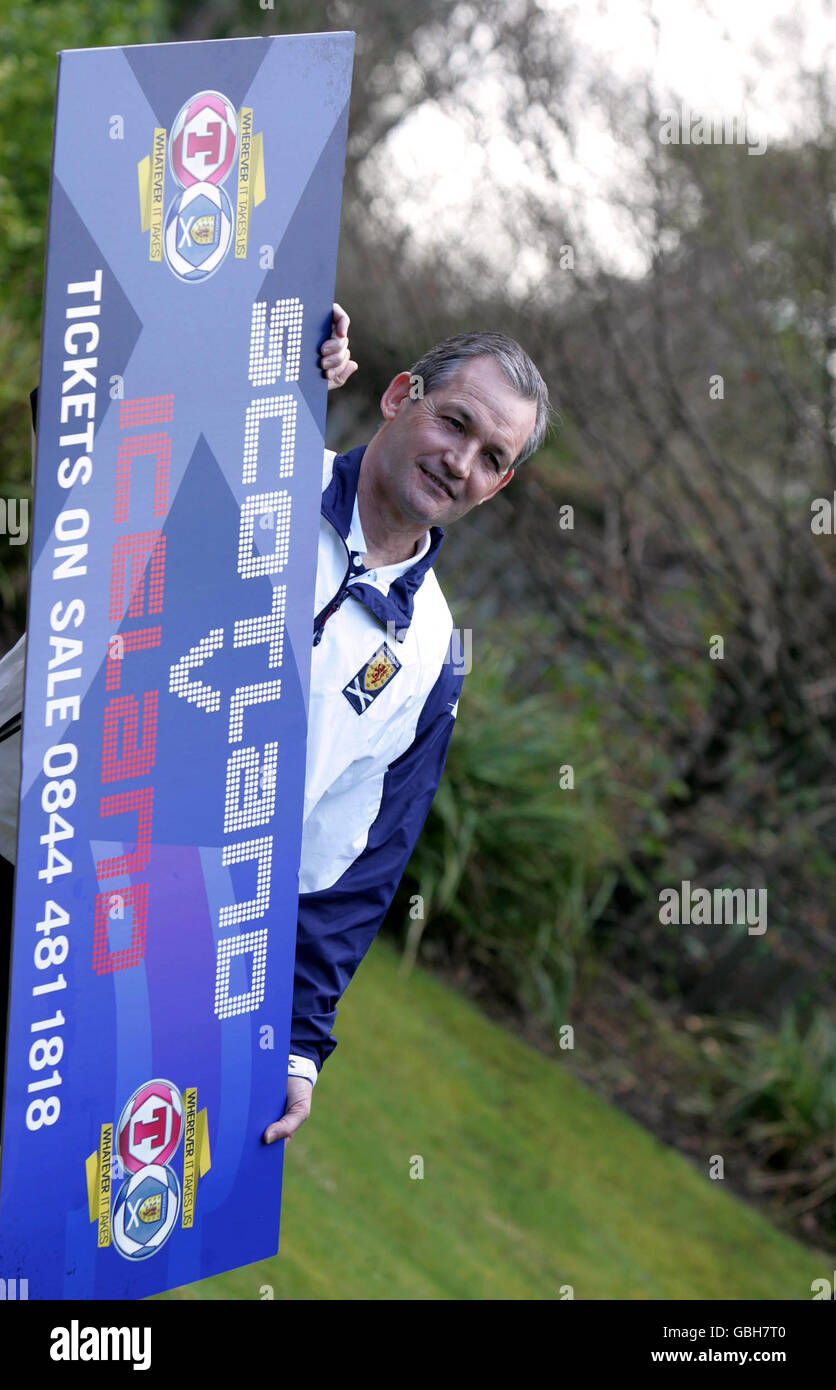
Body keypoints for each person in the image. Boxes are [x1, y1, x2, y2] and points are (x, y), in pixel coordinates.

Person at [0, 308, 551, 1149]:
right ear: (402, 395)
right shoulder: (254, 460)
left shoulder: (434, 654)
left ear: (501, 485)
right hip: (17, 833)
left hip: (138, 941)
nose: (461, 462)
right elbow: (82, 427)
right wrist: (252, 365)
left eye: (493, 458)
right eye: (455, 421)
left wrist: (299, 1043)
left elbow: (356, 864)